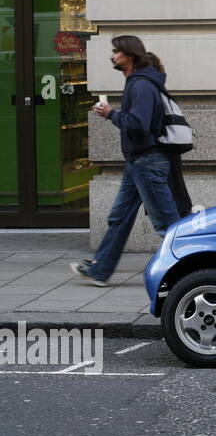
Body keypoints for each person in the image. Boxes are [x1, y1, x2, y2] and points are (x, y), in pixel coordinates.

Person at [71, 36, 181, 286]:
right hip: (139, 163)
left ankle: (193, 269)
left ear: (129, 55)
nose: (112, 56)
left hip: (147, 162)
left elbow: (138, 125)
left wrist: (111, 114)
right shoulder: (140, 83)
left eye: (116, 52)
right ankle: (99, 270)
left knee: (168, 225)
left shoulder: (141, 85)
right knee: (119, 217)